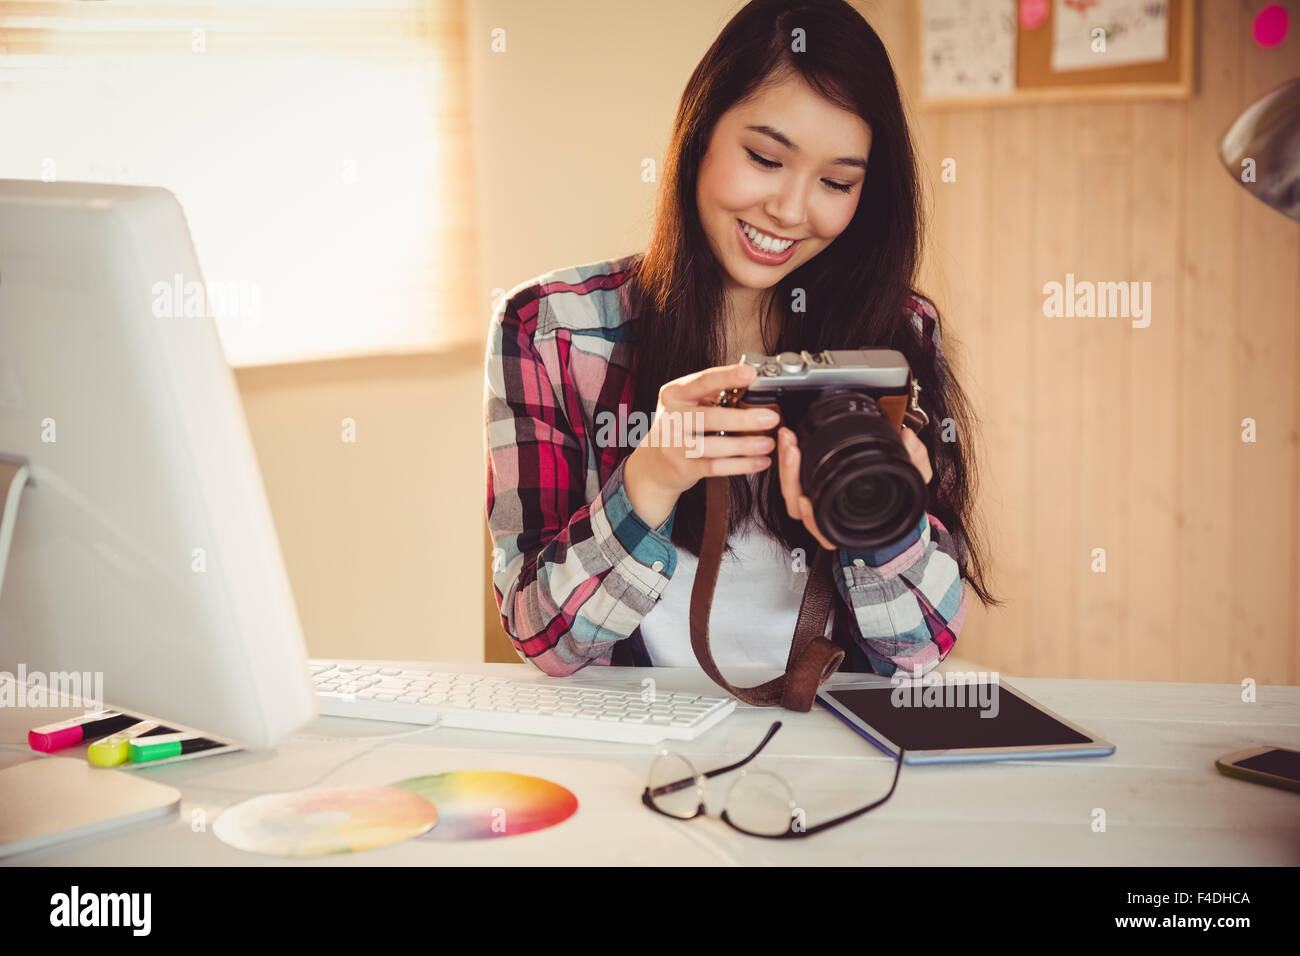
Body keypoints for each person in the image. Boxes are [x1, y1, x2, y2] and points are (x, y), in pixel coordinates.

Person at [484, 0, 997, 681]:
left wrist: (884, 532)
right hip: (639, 745)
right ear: (699, 135)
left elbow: (921, 649)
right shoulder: (550, 329)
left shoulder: (896, 334)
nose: (789, 210)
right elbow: (542, 638)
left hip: (837, 741)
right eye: (764, 158)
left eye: (837, 182)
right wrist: (652, 477)